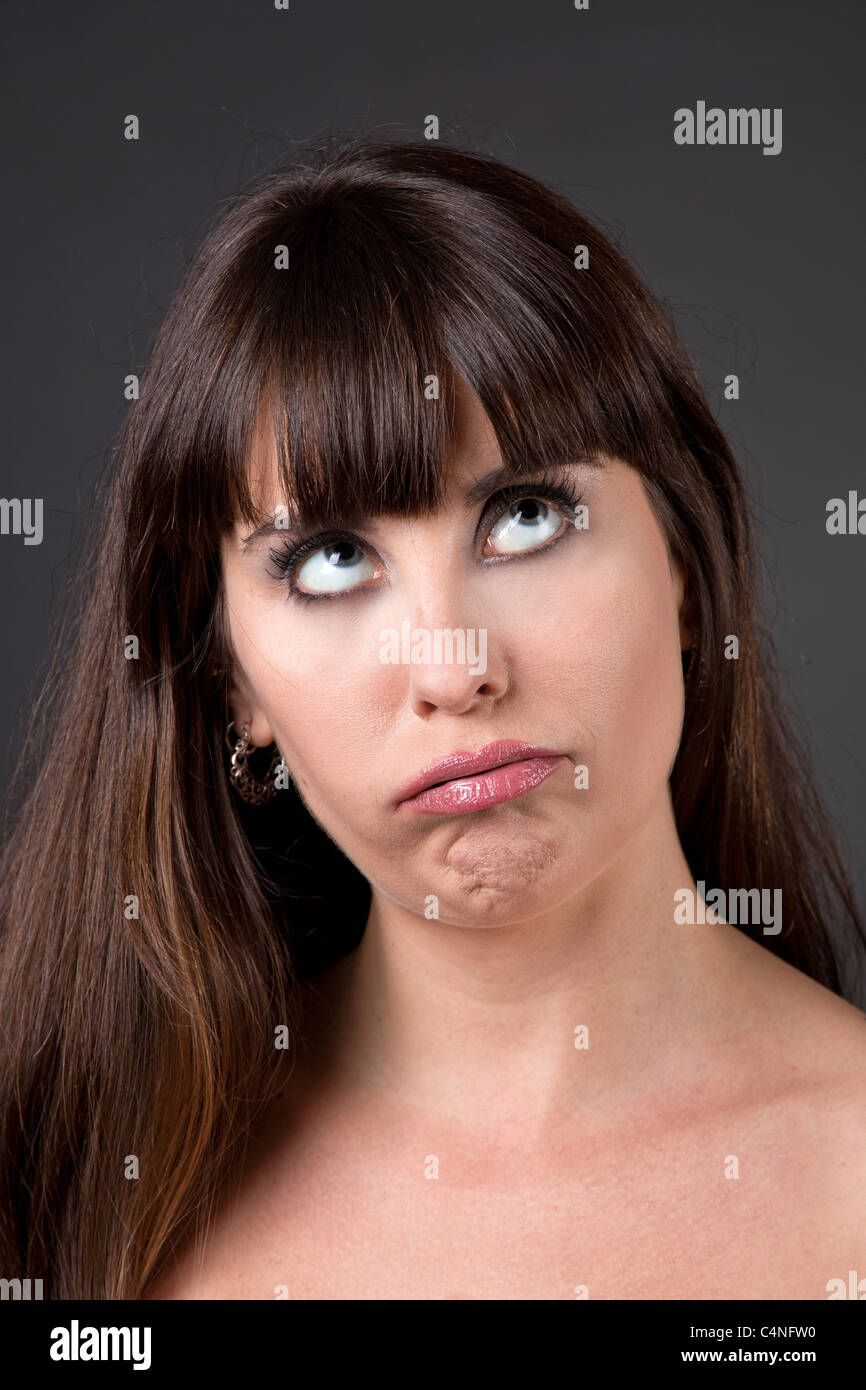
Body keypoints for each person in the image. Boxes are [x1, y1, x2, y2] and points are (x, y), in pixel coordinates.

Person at [2, 136, 864, 1301]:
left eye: (523, 519)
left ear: (684, 573)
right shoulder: (68, 1182)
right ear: (233, 686)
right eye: (329, 559)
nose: (453, 667)